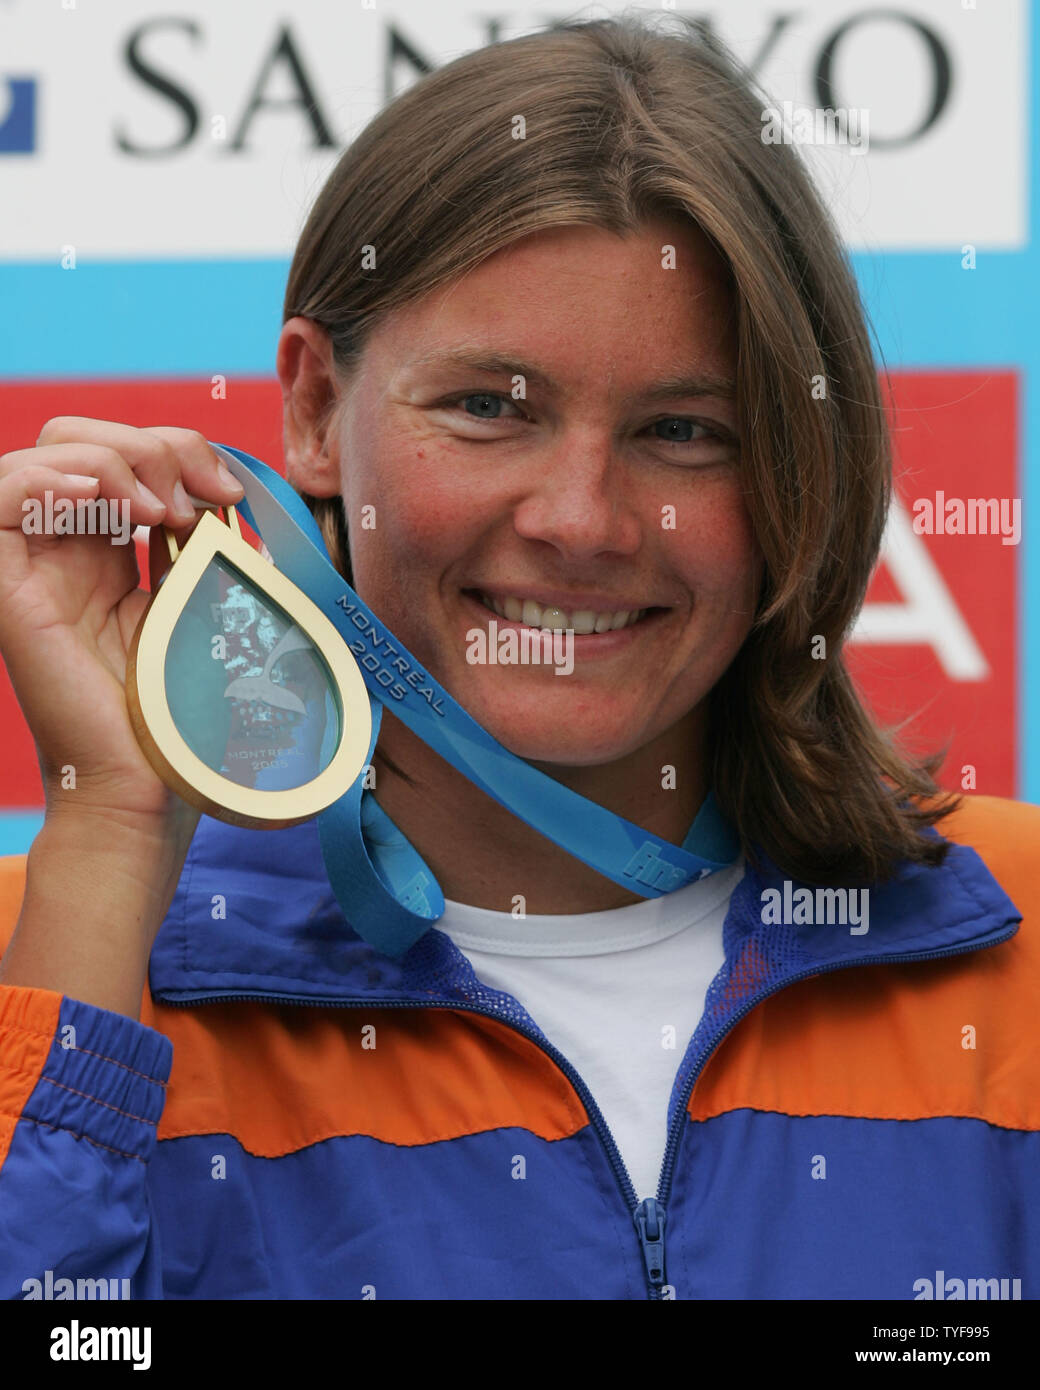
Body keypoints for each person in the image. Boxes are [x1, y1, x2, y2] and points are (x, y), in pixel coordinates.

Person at [0, 14, 1036, 1302]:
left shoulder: (1023, 939)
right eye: (490, 408)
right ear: (316, 409)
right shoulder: (51, 957)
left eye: (683, 430)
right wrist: (107, 842)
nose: (583, 520)